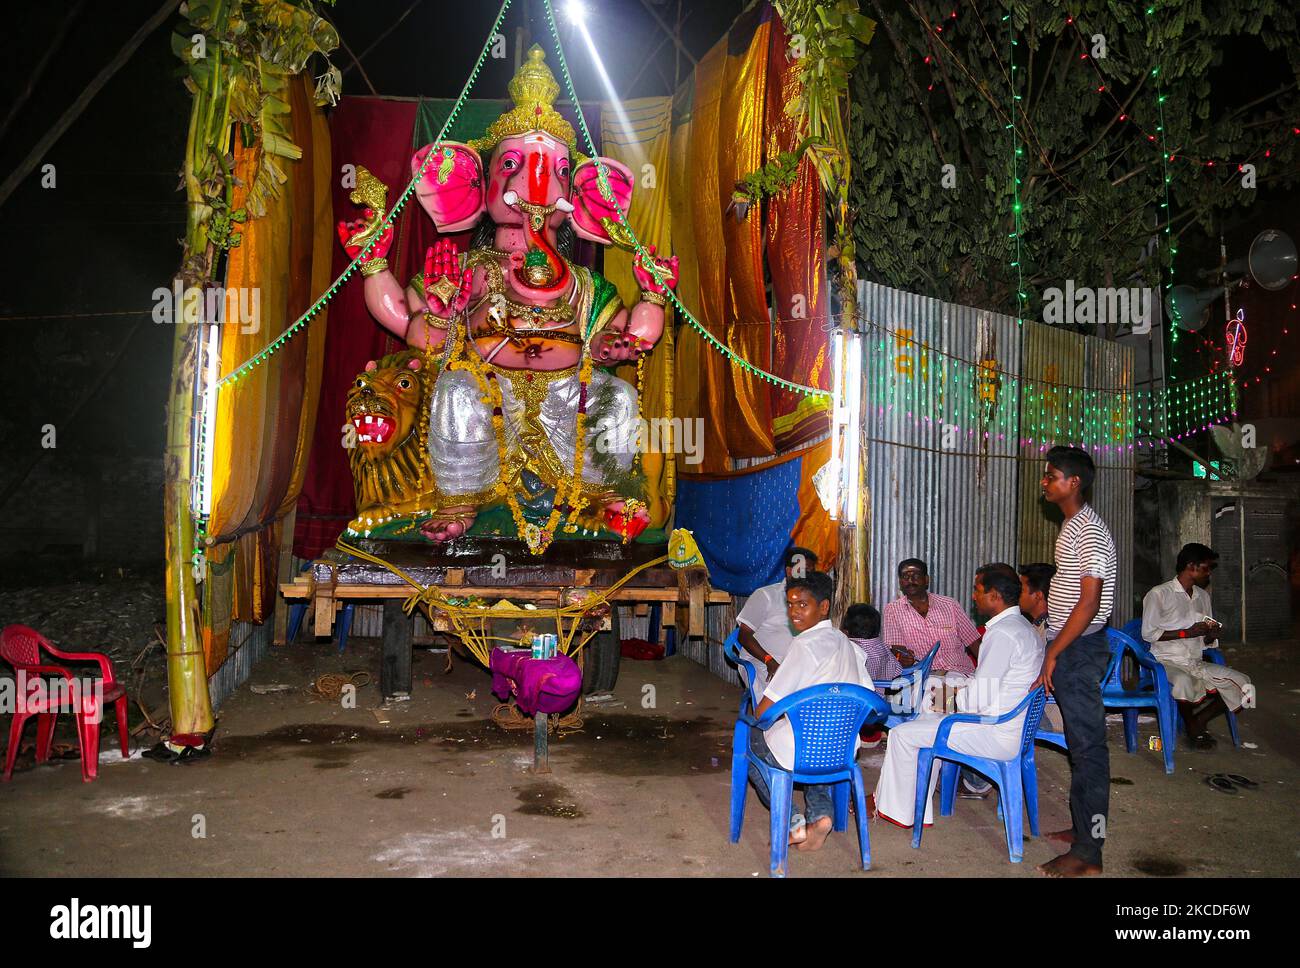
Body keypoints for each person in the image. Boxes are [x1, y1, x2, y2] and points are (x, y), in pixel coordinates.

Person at [871, 563, 1044, 827]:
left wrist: (941, 698)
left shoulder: (1002, 635)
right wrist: (946, 695)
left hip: (992, 730)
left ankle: (901, 813)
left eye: (978, 590)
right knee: (926, 713)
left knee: (902, 734)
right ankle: (907, 803)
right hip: (1004, 722)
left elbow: (976, 701)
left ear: (995, 596)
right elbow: (987, 687)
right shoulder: (1021, 627)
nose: (974, 596)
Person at [745, 571, 871, 852]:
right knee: (811, 743)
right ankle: (820, 817)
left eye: (803, 605)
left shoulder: (803, 646)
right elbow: (868, 695)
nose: (794, 612)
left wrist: (754, 719)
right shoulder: (845, 642)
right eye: (790, 604)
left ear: (823, 607)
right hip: (843, 748)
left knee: (751, 741)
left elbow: (766, 709)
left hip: (805, 747)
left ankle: (795, 823)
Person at [1035, 446, 1117, 879]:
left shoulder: (1090, 531)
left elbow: (1089, 602)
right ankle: (1086, 830)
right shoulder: (1071, 527)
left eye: (1052, 476)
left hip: (1079, 648)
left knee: (1089, 751)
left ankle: (1090, 853)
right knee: (1082, 749)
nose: (1045, 482)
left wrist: (1054, 650)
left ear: (1074, 483)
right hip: (1071, 645)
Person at [1140, 543, 1252, 749]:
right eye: (1206, 567)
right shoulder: (1159, 594)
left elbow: (1206, 643)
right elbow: (1148, 633)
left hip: (1195, 661)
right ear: (1191, 566)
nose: (1209, 573)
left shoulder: (1203, 596)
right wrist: (1185, 632)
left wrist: (1210, 635)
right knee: (1183, 682)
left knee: (1246, 687)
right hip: (1167, 661)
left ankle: (1197, 722)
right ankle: (1193, 726)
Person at [734, 546, 818, 701]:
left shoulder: (813, 601)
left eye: (811, 571)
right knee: (779, 704)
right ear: (788, 571)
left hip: (795, 663)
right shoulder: (766, 596)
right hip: (762, 662)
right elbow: (743, 636)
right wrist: (769, 661)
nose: (807, 576)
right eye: (803, 570)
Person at [882, 558, 980, 681]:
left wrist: (989, 674)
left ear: (926, 579)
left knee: (964, 695)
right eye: (905, 577)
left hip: (960, 673)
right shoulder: (893, 610)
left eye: (916, 576)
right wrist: (902, 658)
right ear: (900, 582)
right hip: (926, 677)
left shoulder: (949, 605)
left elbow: (973, 642)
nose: (910, 581)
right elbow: (897, 650)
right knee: (942, 697)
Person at [1020, 563, 1064, 733]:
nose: (1016, 595)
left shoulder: (1049, 631)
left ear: (1037, 596)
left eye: (1021, 590)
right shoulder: (1039, 626)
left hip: (1048, 717)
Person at [843, 603, 892, 747]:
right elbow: (896, 671)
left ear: (847, 629)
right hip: (881, 700)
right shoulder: (881, 646)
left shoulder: (850, 648)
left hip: (860, 705)